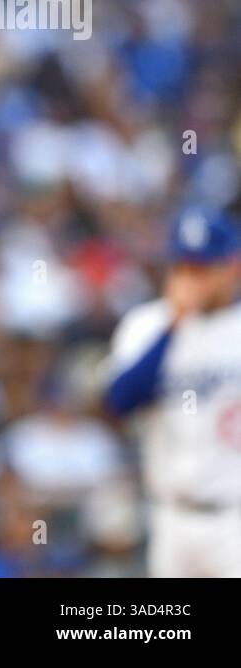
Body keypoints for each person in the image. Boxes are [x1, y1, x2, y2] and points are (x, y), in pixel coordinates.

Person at [104, 207, 241, 576]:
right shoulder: (146, 324)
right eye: (183, 267)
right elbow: (120, 400)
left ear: (233, 266)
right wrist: (174, 326)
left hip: (234, 518)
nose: (190, 279)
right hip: (171, 517)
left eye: (202, 269)